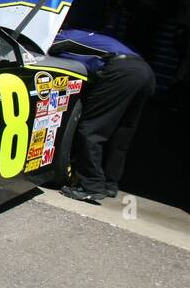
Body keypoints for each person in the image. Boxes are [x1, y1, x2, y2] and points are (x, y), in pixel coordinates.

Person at [52, 28, 156, 204]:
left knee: (90, 130)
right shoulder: (90, 37)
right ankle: (109, 183)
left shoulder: (63, 37)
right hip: (145, 72)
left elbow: (41, 49)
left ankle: (91, 187)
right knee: (121, 133)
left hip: (121, 71)